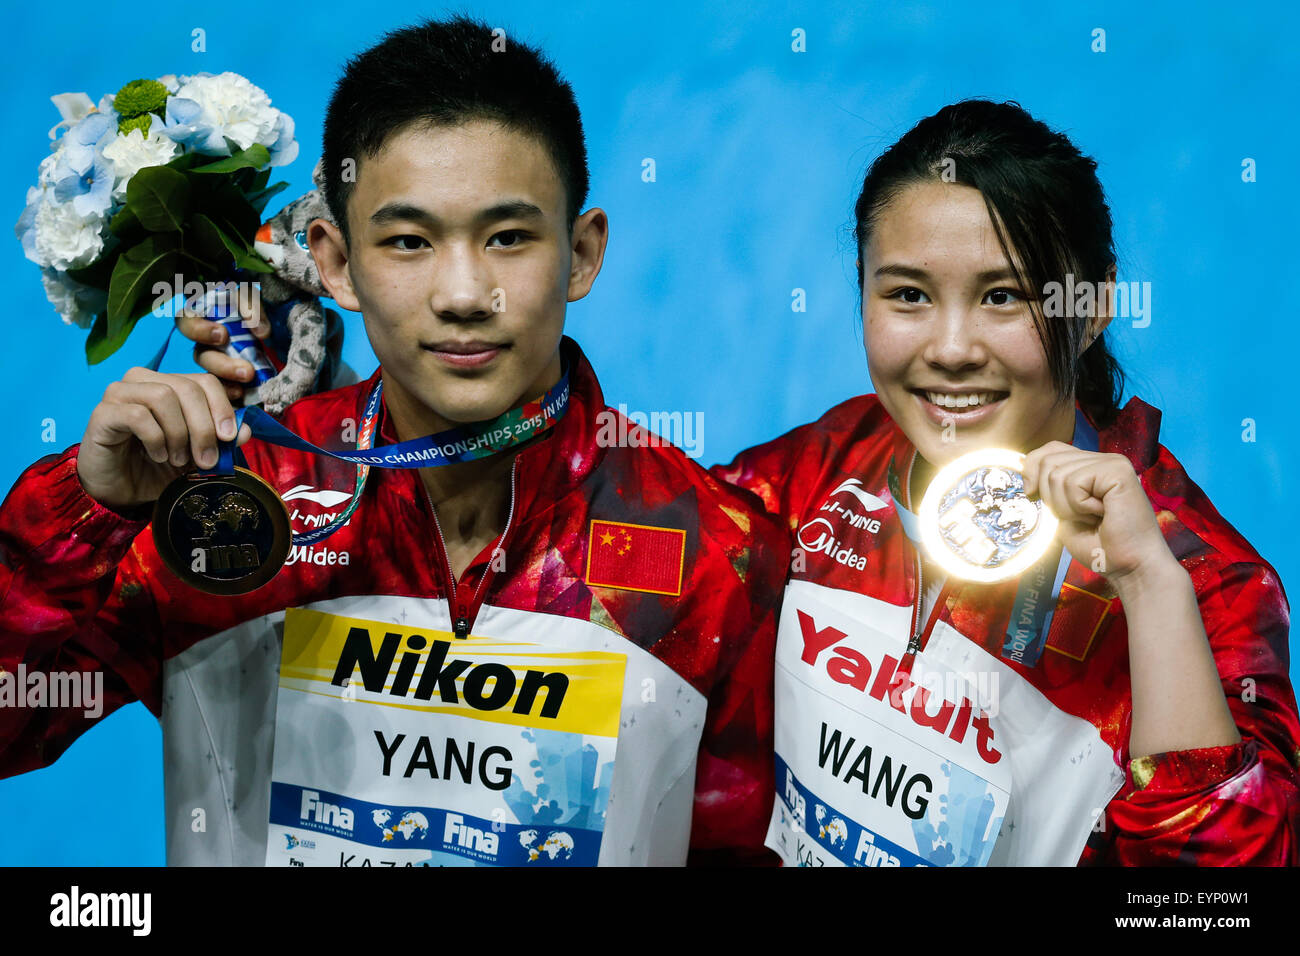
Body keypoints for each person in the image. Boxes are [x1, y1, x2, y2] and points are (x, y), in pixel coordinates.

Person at [0, 16, 786, 867]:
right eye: (408, 241)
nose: (464, 294)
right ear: (336, 263)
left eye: (509, 237)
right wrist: (84, 513)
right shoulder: (220, 507)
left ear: (582, 254)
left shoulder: (717, 553)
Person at [711, 100, 1300, 866]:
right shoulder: (824, 465)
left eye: (1003, 296)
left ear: (1093, 308)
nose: (951, 350)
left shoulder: (1205, 583)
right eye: (908, 295)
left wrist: (1149, 590)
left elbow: (1212, 907)